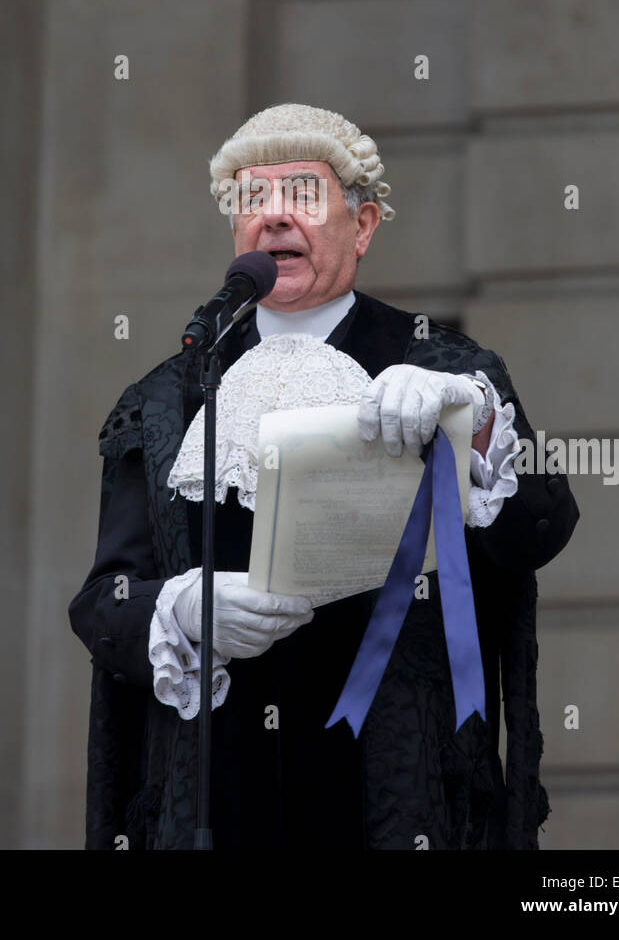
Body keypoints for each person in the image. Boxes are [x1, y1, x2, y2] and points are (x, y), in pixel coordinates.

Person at [68, 103, 579, 850]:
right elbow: (101, 603)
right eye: (251, 199)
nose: (274, 217)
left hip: (395, 793)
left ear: (364, 225)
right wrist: (181, 610)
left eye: (302, 194)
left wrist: (478, 421)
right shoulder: (165, 400)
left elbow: (541, 529)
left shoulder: (444, 366)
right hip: (218, 795)